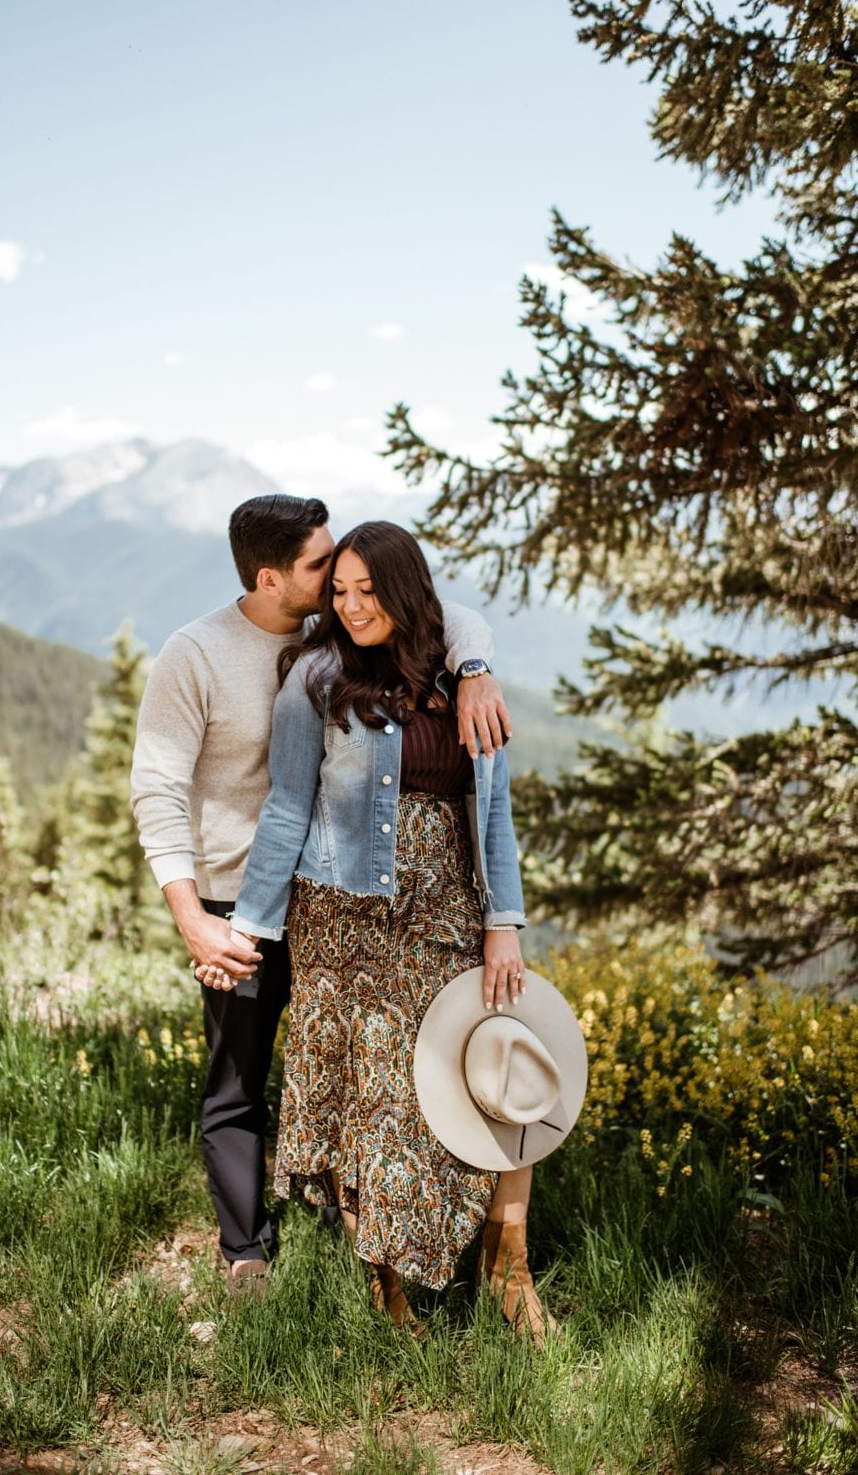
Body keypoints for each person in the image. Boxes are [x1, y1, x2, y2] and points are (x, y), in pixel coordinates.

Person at [130, 496, 512, 1293]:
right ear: (273, 579)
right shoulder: (196, 654)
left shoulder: (339, 634)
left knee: (353, 1071)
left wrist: (473, 670)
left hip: (324, 897)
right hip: (239, 899)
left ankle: (386, 1246)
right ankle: (246, 1254)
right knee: (240, 1079)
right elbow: (157, 790)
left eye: (350, 575)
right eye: (323, 572)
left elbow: (448, 613)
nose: (341, 589)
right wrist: (192, 917)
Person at [227, 520, 552, 1338]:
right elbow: (285, 810)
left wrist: (503, 922)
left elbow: (495, 813)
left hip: (448, 911)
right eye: (338, 591)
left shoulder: (461, 679)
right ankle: (384, 1274)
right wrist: (254, 930)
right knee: (375, 1094)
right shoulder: (316, 677)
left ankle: (505, 1264)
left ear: (404, 590)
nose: (351, 606)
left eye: (368, 591)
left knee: (483, 1068)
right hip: (346, 918)